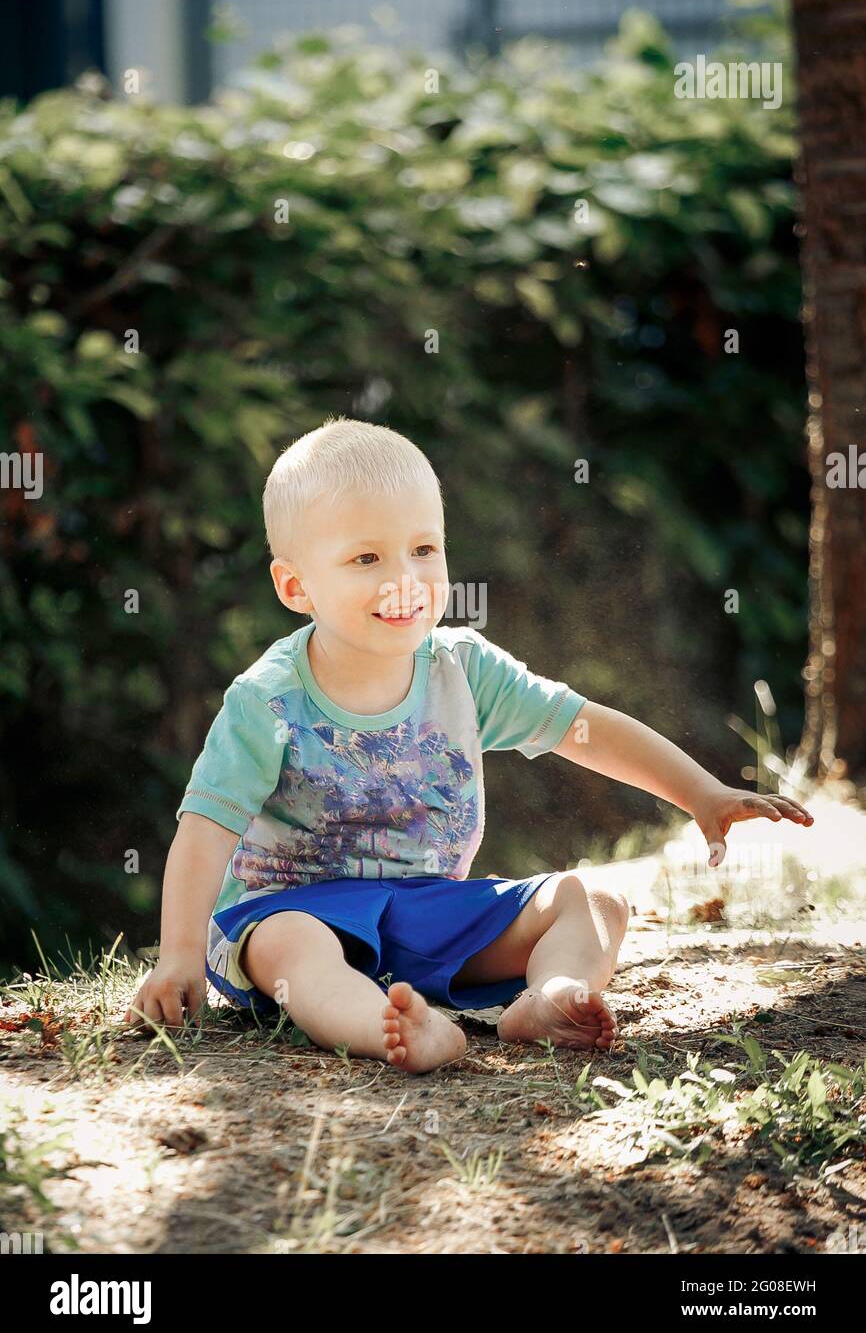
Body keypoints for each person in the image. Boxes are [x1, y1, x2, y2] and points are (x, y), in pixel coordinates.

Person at [124, 417, 813, 1074]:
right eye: (366, 557)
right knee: (295, 946)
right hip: (291, 913)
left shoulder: (462, 670)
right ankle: (394, 1031)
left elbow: (585, 727)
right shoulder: (268, 699)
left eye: (424, 549)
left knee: (591, 899)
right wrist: (181, 956)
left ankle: (549, 998)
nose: (405, 578)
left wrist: (701, 792)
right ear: (295, 585)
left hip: (427, 913)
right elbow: (206, 829)